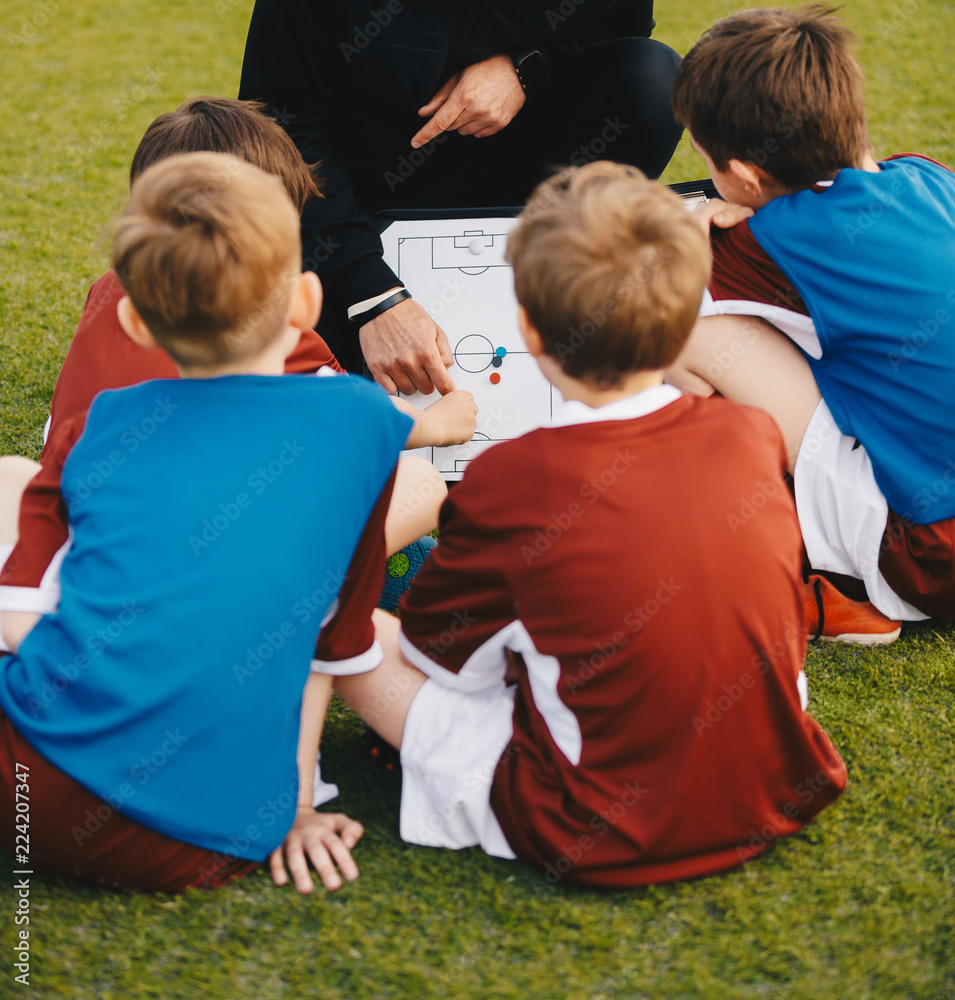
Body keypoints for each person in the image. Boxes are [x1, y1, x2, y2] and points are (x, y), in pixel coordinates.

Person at [318, 162, 847, 888]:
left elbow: (442, 659)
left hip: (594, 823)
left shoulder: (513, 480)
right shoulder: (750, 435)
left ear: (528, 328)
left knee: (333, 614)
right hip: (773, 782)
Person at [0, 152, 426, 893]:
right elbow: (333, 640)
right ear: (304, 304)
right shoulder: (361, 423)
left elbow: (19, 620)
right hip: (212, 844)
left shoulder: (97, 427)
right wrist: (292, 806)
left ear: (133, 317)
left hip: (26, 791)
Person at [43, 96, 476, 556]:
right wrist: (439, 425)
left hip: (82, 541)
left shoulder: (109, 288)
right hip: (218, 564)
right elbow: (364, 414)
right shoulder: (272, 320)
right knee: (418, 485)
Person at [665, 4, 955, 643]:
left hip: (930, 555)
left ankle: (808, 562)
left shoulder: (766, 240)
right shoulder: (932, 178)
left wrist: (692, 223)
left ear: (744, 176)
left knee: (683, 329)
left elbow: (648, 266)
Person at [238, 0, 685, 392]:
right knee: (325, 402)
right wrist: (371, 295)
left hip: (511, 180)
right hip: (350, 205)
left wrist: (525, 67)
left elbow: (616, 31)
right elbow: (278, 121)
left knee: (652, 79)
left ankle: (557, 285)